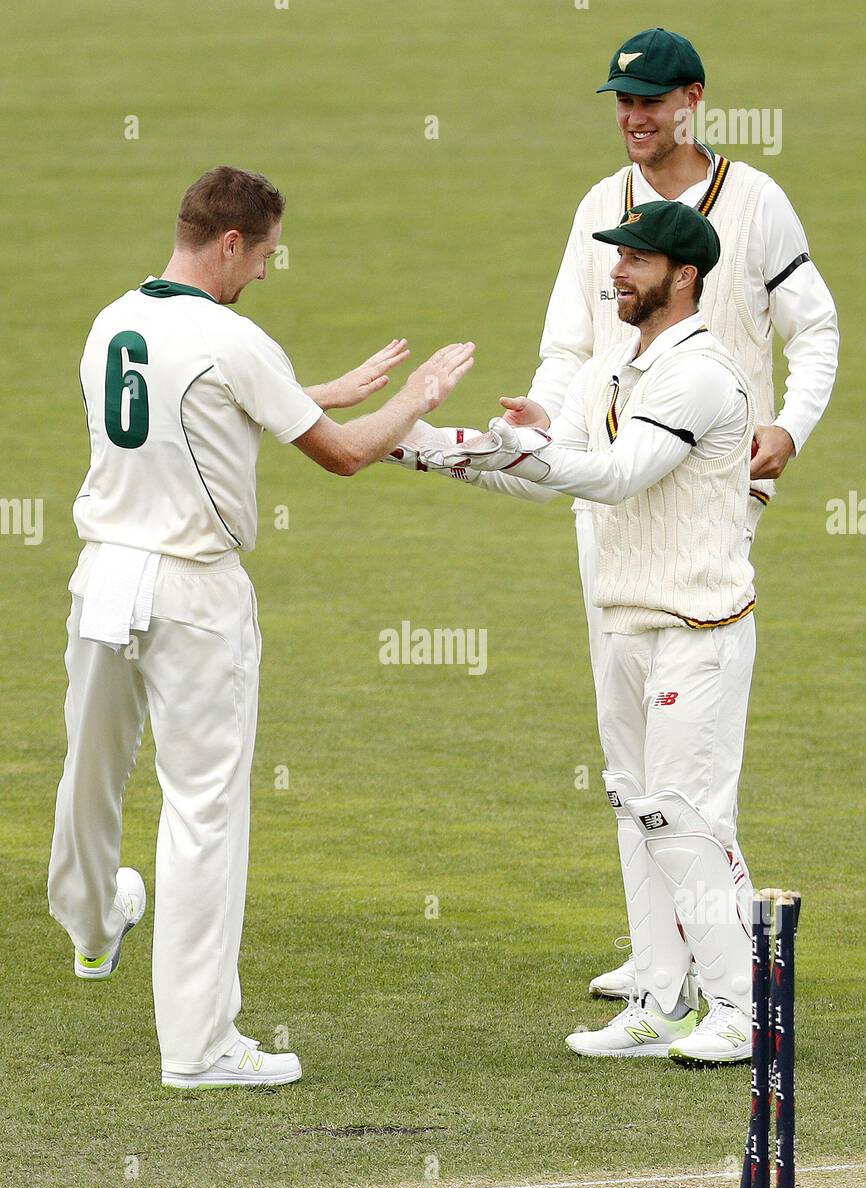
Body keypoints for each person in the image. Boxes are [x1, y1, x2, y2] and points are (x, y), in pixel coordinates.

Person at [48, 165, 474, 1090]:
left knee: (89, 773)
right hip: (193, 594)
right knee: (203, 811)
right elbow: (343, 457)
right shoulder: (232, 337)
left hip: (101, 580)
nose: (268, 272)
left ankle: (90, 925)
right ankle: (199, 1050)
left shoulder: (114, 319)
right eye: (267, 253)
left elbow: (190, 404)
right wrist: (416, 399)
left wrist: (324, 386)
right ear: (232, 241)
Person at [497, 27, 838, 1001]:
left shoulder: (754, 203)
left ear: (692, 96)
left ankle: (721, 976)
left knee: (685, 761)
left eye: (649, 100)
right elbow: (567, 346)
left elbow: (810, 328)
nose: (633, 118)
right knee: (628, 751)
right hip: (605, 499)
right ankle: (657, 965)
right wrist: (543, 431)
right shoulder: (598, 209)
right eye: (620, 101)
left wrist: (791, 426)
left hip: (701, 496)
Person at [390, 200, 761, 1064]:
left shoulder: (701, 373)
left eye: (636, 259)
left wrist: (525, 451)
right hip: (626, 620)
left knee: (681, 814)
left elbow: (620, 475)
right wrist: (419, 447)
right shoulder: (608, 370)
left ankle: (742, 1011)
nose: (618, 271)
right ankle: (661, 1002)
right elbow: (552, 479)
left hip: (698, 624)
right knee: (637, 809)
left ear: (685, 276)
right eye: (618, 255)